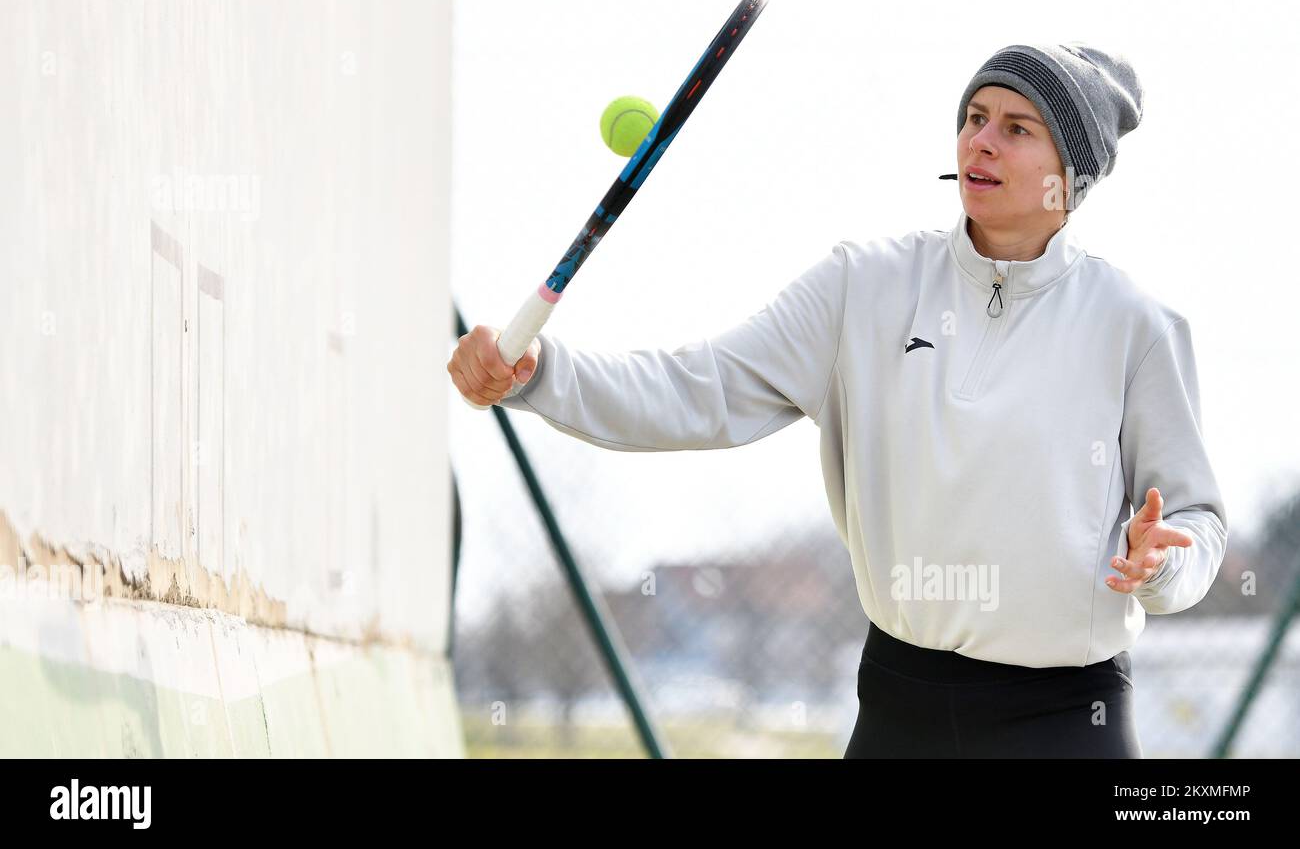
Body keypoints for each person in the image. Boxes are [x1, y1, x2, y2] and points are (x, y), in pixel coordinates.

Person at [446, 42, 1228, 758]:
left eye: (1018, 128)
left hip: (1065, 722)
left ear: (1073, 176)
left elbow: (1195, 520)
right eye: (975, 117)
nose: (980, 141)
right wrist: (542, 373)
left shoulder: (1136, 327)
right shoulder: (865, 286)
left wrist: (1163, 565)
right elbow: (702, 389)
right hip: (899, 706)